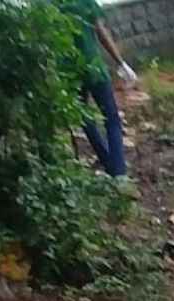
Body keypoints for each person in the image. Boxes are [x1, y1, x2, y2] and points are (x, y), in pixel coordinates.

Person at [59, 0, 137, 178]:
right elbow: (101, 32)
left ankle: (108, 161)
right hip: (93, 68)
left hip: (69, 73)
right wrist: (121, 63)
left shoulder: (48, 4)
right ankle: (119, 173)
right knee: (111, 118)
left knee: (84, 117)